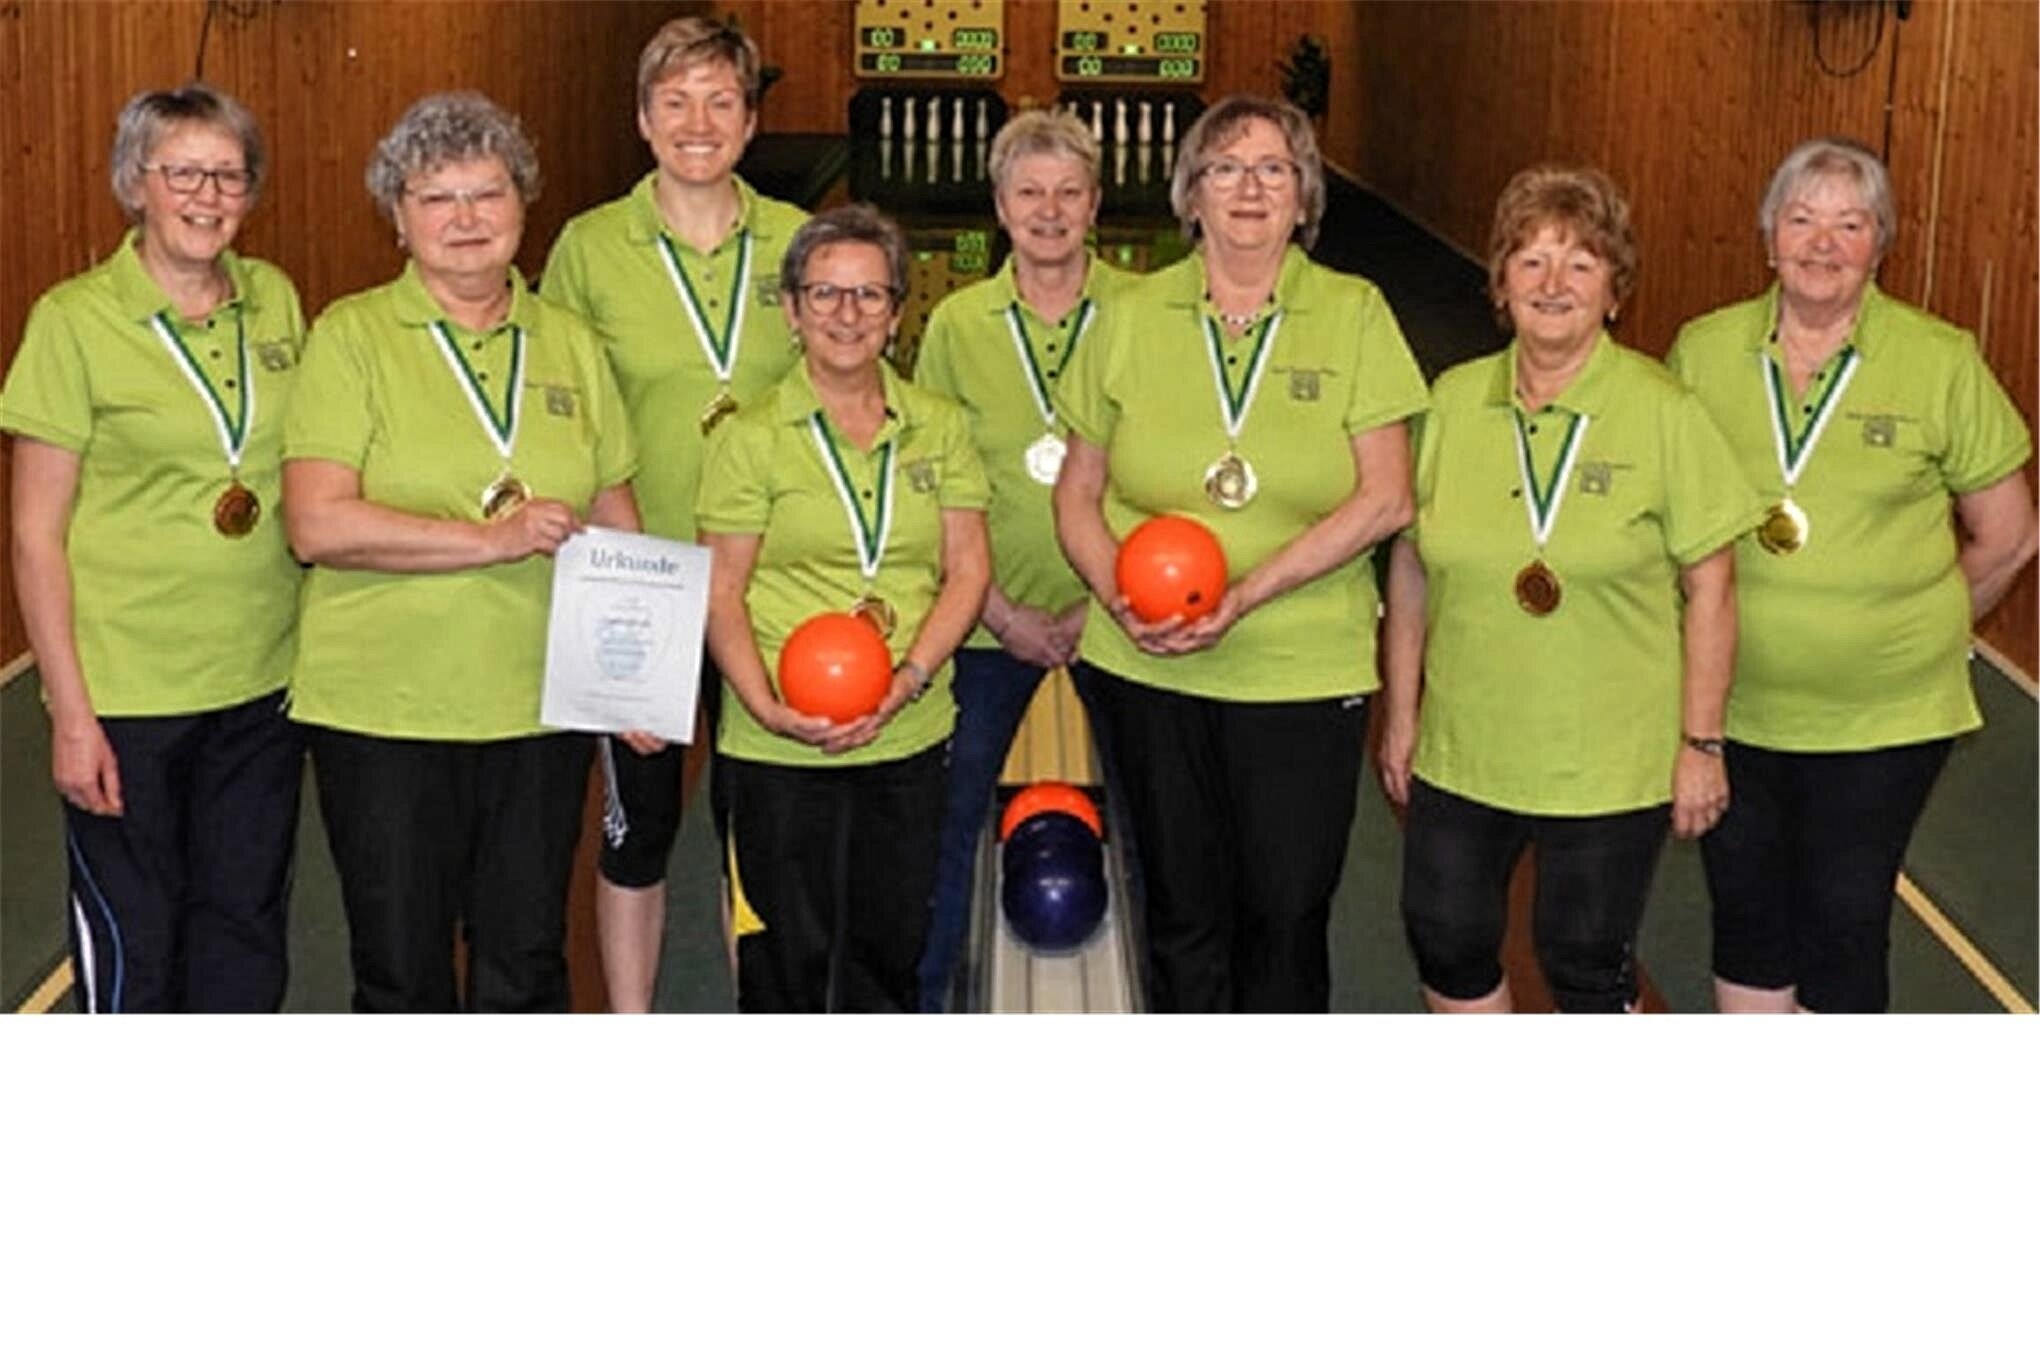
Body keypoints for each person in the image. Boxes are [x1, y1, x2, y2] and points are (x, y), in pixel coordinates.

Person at [1052, 96, 1426, 1013]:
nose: (1250, 187)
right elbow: (1077, 493)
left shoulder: (1354, 312)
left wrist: (1247, 593)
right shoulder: (1132, 314)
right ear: (1191, 196)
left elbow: (1387, 495)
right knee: (1181, 914)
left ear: (1305, 198)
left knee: (1287, 911)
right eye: (1225, 168)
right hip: (1149, 667)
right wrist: (1122, 599)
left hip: (1299, 668)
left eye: (1274, 168)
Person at [282, 92, 642, 1013]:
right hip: (385, 712)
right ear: (398, 220)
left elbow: (613, 510)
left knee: (525, 960)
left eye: (487, 192)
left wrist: (633, 677)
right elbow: (317, 525)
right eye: (436, 198)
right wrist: (492, 540)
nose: (466, 218)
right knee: (401, 967)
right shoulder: (350, 337)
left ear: (524, 205)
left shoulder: (570, 341)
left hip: (537, 709)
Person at [1378, 166, 1764, 1014]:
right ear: (1501, 284)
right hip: (1467, 742)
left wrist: (1701, 745)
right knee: (1444, 932)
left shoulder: (1665, 411)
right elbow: (1410, 566)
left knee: (1582, 955)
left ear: (1615, 292)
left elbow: (1714, 587)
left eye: (1580, 265)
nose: (1554, 285)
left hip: (1608, 755)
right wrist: (1402, 713)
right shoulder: (1450, 402)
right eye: (1531, 261)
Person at [1666, 137, 2036, 1013]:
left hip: (1885, 718)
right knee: (1747, 915)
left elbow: (2009, 536)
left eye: (1850, 223)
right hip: (1734, 705)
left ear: (1882, 243)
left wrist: (1920, 628)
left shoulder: (1939, 359)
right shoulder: (1703, 352)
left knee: (1844, 916)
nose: (1823, 243)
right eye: (1801, 219)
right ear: (1768, 237)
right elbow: (1668, 524)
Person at [2, 85, 305, 1013]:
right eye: (184, 172)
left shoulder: (277, 299)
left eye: (229, 174)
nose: (208, 195)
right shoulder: (74, 321)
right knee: (138, 939)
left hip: (264, 684)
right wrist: (72, 714)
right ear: (136, 183)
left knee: (246, 927)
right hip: (130, 694)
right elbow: (34, 535)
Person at [541, 15, 807, 1012]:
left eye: (721, 100)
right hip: (638, 582)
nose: (698, 122)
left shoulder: (795, 241)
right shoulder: (590, 248)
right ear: (644, 119)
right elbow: (557, 411)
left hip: (773, 580)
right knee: (638, 824)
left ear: (749, 119)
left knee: (760, 825)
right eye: (675, 101)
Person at [697, 204, 990, 1012]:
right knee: (785, 963)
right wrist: (765, 707)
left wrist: (911, 677)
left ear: (898, 311)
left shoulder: (941, 427)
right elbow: (721, 588)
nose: (847, 315)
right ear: (791, 310)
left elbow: (968, 570)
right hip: (776, 745)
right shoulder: (748, 438)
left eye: (869, 295)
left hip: (907, 731)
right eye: (825, 294)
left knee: (888, 956)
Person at [911, 109, 1134, 1012]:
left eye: (1068, 192)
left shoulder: (1145, 313)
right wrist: (997, 610)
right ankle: (923, 1005)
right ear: (1000, 207)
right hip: (983, 619)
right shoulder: (959, 324)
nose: (1049, 211)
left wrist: (1103, 604)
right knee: (948, 820)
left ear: (1096, 204)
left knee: (1160, 829)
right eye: (1030, 193)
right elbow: (929, 478)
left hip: (1123, 618)